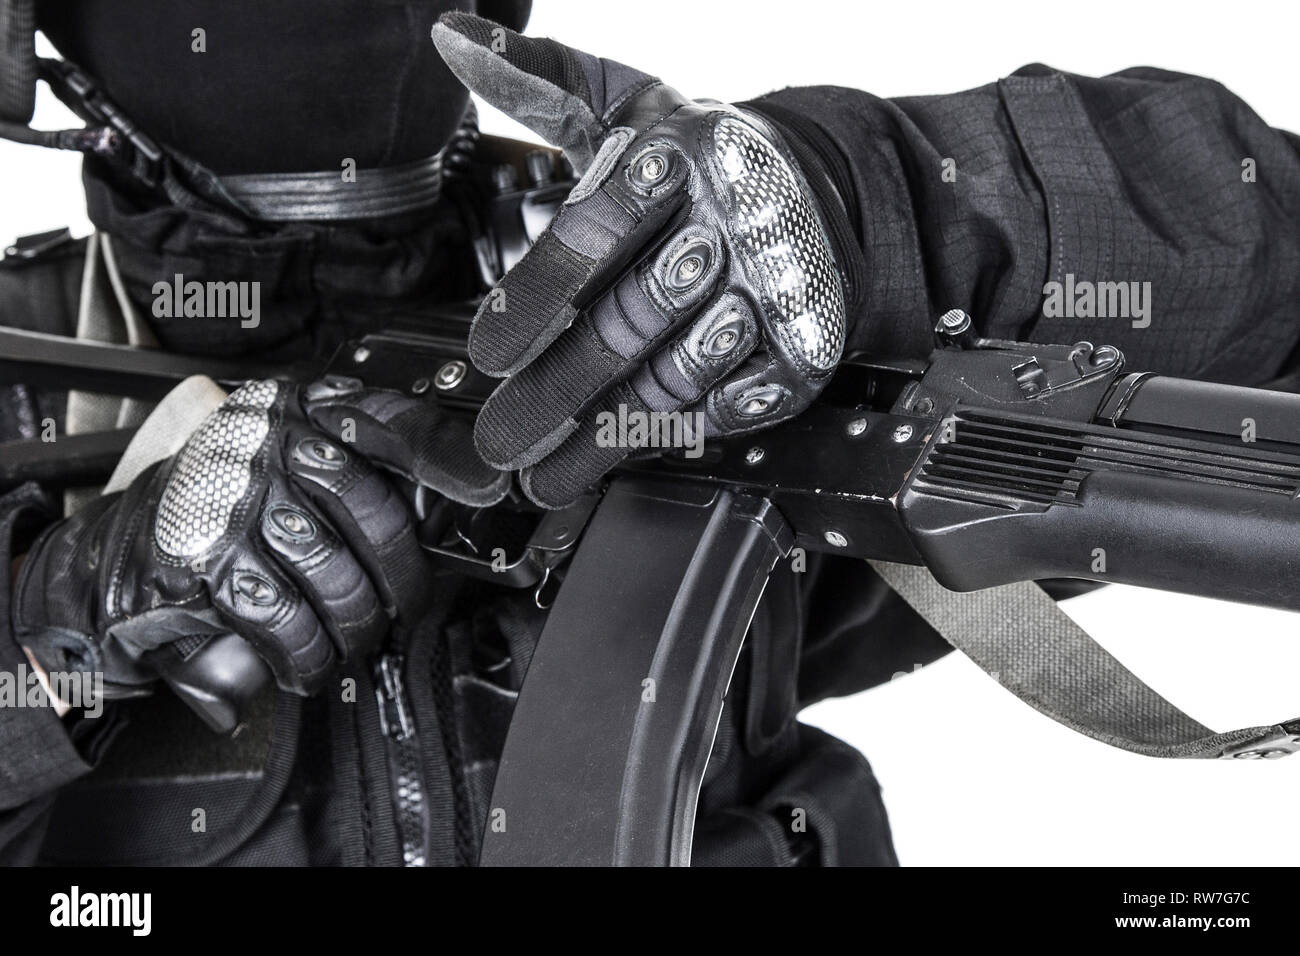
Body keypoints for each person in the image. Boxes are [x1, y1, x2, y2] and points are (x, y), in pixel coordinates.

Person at [1, 1, 1297, 866]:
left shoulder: (675, 284)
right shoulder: (30, 379)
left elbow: (1259, 327)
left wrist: (891, 209)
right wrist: (82, 606)